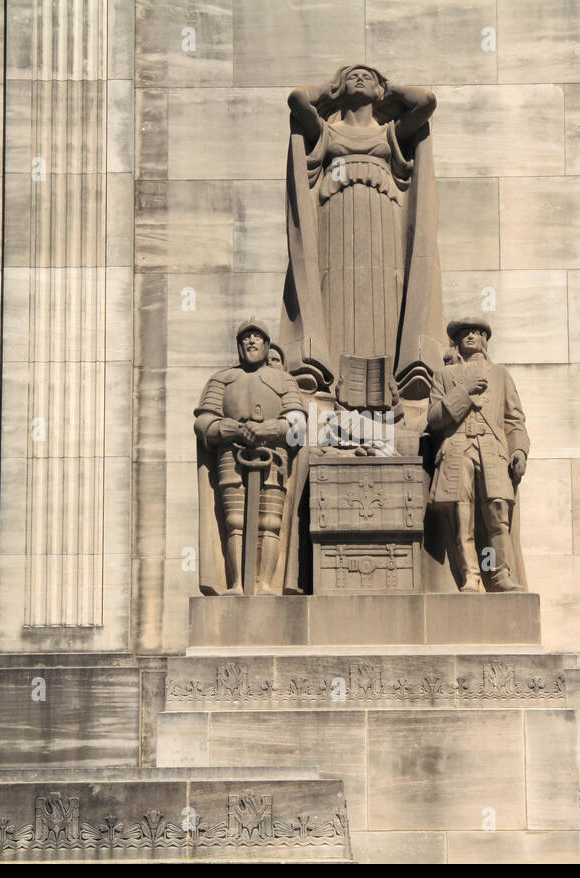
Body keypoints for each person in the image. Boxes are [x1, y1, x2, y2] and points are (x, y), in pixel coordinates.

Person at [280, 65, 444, 413]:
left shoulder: (389, 135)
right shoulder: (326, 131)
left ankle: (383, 394)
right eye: (353, 75)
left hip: (381, 223)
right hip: (335, 222)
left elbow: (426, 102)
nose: (360, 78)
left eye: (368, 77)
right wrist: (331, 89)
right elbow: (297, 99)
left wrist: (389, 88)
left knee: (384, 296)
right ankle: (334, 388)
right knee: (336, 295)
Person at [194, 321, 307, 595]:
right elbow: (203, 422)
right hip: (230, 455)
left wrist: (270, 428)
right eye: (246, 337)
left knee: (270, 522)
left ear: (267, 345)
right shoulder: (222, 379)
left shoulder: (284, 380)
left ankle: (266, 584)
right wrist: (228, 428)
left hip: (273, 454)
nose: (251, 342)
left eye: (257, 337)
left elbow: (298, 423)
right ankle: (236, 584)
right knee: (234, 521)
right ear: (239, 344)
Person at [426, 318, 529, 592]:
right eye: (463, 333)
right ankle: (470, 576)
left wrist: (519, 450)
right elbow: (435, 418)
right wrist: (465, 391)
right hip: (457, 451)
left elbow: (514, 420)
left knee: (498, 515)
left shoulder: (500, 374)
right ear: (456, 341)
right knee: (462, 517)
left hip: (491, 450)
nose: (469, 336)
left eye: (475, 332)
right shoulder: (444, 376)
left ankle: (500, 575)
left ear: (484, 339)